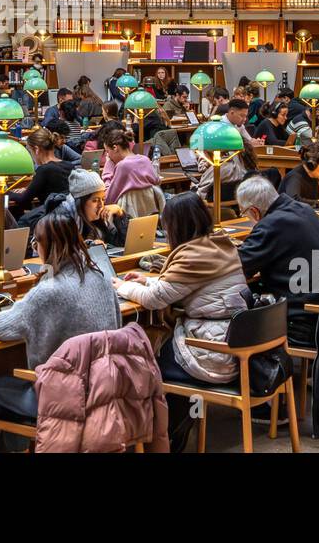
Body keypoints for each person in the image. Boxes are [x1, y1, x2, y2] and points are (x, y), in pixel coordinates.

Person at [0, 207, 122, 453]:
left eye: (35, 242)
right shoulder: (101, 278)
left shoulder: (49, 292)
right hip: (104, 391)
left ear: (45, 246)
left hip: (60, 398)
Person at [114, 192, 248, 450]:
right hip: (232, 342)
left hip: (212, 351)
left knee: (147, 364)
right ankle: (175, 430)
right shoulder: (218, 245)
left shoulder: (192, 256)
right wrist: (148, 280)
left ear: (177, 225)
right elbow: (185, 286)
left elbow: (154, 300)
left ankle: (164, 437)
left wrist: (121, 286)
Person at [235, 175, 319, 348]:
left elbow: (237, 268)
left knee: (238, 321)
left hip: (305, 324)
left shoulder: (271, 226)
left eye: (244, 213)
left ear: (254, 211)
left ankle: (248, 372)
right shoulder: (304, 209)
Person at [99, 125, 165, 217]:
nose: (108, 156)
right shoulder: (145, 159)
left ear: (115, 148)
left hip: (130, 220)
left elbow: (108, 198)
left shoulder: (123, 166)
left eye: (107, 151)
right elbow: (157, 181)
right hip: (152, 218)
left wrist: (107, 172)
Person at [10, 128, 72, 218]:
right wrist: (29, 189)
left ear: (36, 149)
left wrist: (5, 192)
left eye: (30, 151)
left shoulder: (44, 170)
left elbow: (23, 200)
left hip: (50, 219)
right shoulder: (69, 165)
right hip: (68, 218)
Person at [65, 168, 129, 246]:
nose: (101, 205)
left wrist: (120, 214)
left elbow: (122, 244)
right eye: (95, 200)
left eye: (103, 199)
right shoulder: (67, 223)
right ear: (81, 202)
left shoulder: (102, 220)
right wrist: (90, 245)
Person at [280, 141, 319, 207]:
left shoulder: (315, 175)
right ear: (312, 165)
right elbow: (292, 201)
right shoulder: (294, 178)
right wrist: (318, 203)